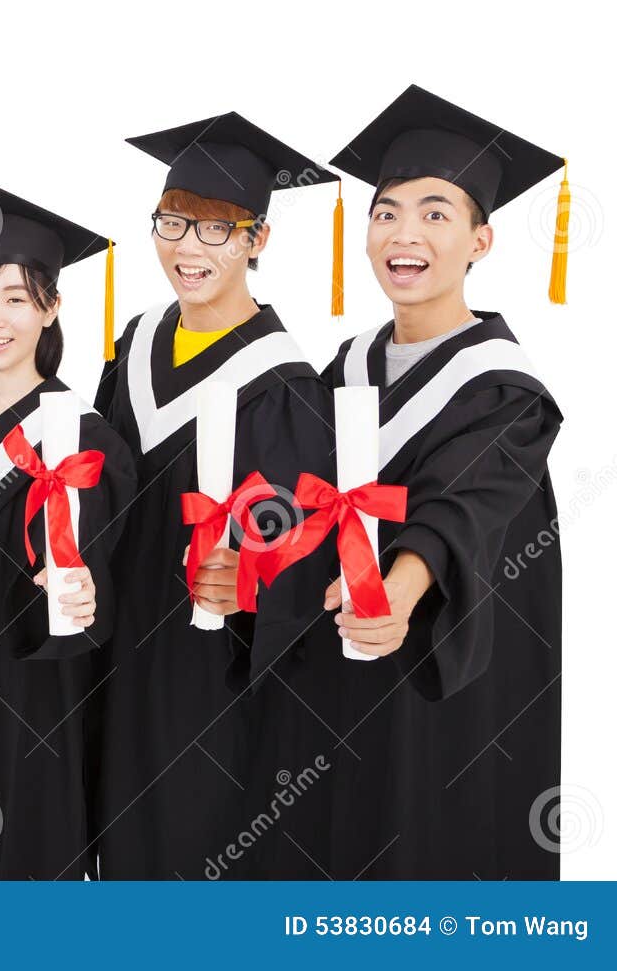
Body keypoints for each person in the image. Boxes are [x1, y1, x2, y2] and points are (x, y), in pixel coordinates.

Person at [257, 84, 564, 878]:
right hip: (338, 668)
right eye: (387, 211)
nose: (405, 232)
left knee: (420, 855)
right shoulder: (344, 366)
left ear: (481, 241)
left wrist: (403, 582)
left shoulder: (503, 388)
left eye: (436, 213)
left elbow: (463, 501)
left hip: (439, 689)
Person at [89, 113, 339, 879]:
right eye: (174, 221)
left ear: (258, 240)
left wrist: (260, 584)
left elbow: (312, 541)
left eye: (217, 229)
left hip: (207, 682)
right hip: (110, 661)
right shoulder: (135, 342)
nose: (188, 247)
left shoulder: (288, 386)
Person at [0, 187, 137, 879]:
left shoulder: (87, 441)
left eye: (16, 297)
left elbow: (93, 578)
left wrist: (74, 586)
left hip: (27, 713)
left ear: (51, 307)